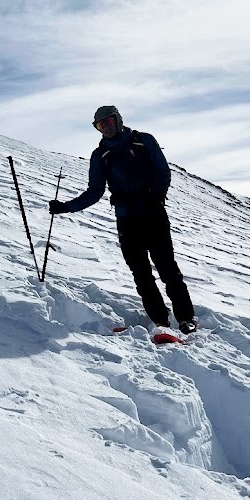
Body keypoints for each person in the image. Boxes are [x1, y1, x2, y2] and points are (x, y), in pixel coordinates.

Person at [49, 106, 197, 335]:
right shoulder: (100, 155)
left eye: (108, 122)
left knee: (168, 268)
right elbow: (95, 191)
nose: (105, 128)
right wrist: (67, 207)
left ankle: (186, 318)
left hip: (153, 214)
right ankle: (160, 321)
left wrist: (156, 197)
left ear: (118, 120)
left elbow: (162, 171)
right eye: (100, 125)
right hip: (126, 219)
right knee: (141, 273)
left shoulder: (144, 141)